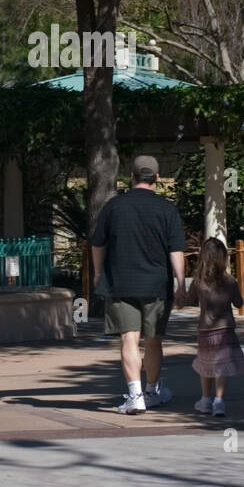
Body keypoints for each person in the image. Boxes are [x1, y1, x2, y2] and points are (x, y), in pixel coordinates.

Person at [89, 154, 187, 414]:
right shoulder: (167, 209)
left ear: (131, 177)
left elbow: (97, 243)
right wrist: (180, 284)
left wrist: (98, 273)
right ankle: (152, 391)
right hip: (157, 285)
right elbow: (176, 251)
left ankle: (135, 396)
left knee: (128, 339)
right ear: (156, 178)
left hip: (120, 283)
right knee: (154, 340)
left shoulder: (114, 207)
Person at [184, 237, 244, 417]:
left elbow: (189, 300)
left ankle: (205, 400)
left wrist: (178, 298)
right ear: (223, 258)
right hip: (226, 330)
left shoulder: (199, 281)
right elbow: (239, 302)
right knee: (222, 366)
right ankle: (219, 401)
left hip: (205, 330)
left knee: (206, 365)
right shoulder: (229, 280)